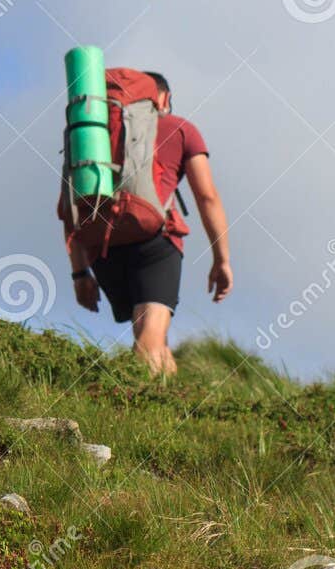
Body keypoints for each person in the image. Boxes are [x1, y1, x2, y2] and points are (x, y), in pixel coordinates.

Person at [68, 72, 232, 376]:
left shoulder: (94, 137)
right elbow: (207, 197)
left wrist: (80, 273)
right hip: (154, 241)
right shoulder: (181, 129)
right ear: (164, 99)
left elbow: (70, 207)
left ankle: (173, 404)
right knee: (150, 337)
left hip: (101, 246)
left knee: (152, 333)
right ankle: (127, 409)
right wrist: (222, 260)